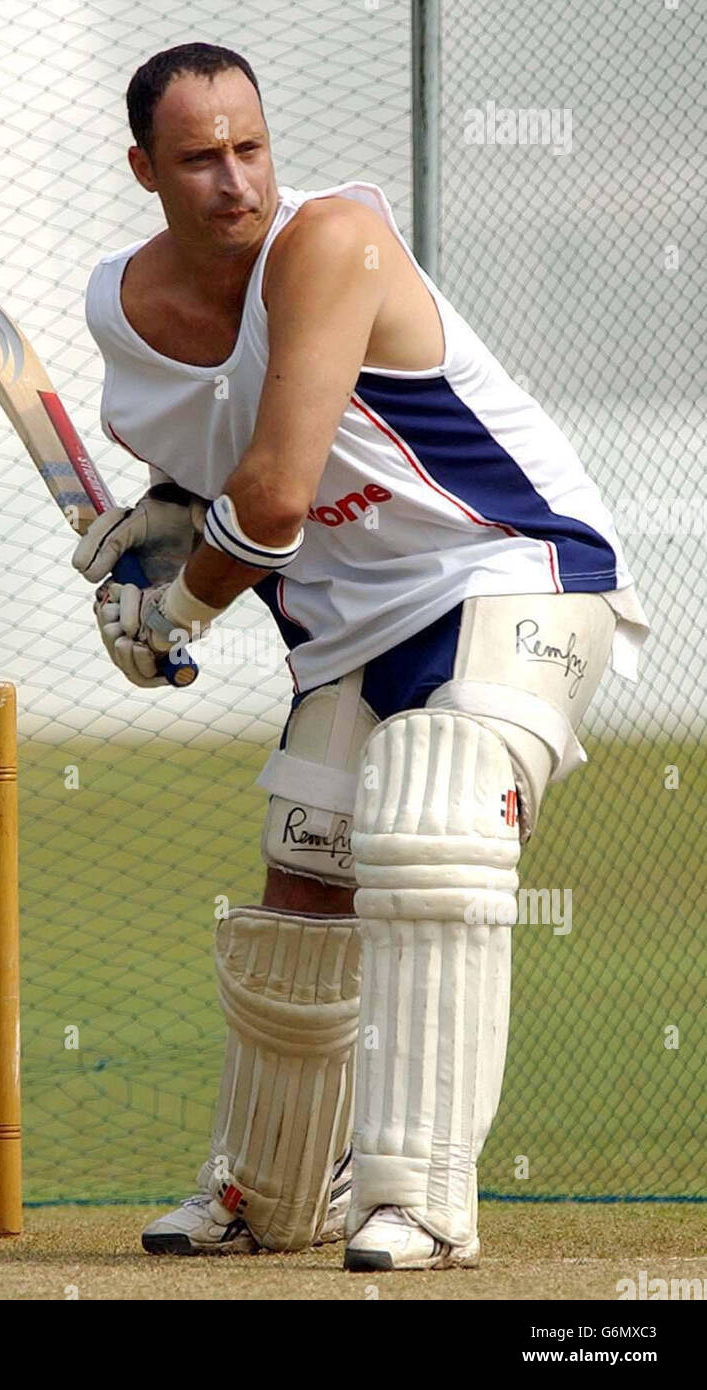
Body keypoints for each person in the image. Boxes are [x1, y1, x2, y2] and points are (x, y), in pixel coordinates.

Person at [71, 42, 649, 1270]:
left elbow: (274, 498)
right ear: (142, 170)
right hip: (350, 622)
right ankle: (266, 1193)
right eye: (198, 160)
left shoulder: (326, 240)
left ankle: (421, 1198)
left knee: (429, 824)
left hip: (505, 563)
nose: (235, 182)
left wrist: (172, 612)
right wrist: (164, 520)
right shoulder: (122, 308)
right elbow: (219, 454)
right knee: (304, 884)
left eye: (250, 148)